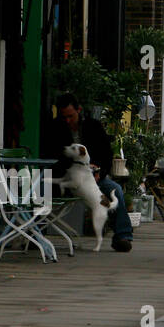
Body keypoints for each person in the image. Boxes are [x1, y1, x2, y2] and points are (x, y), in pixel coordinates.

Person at [42, 93, 133, 252]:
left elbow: (107, 154)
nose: (68, 121)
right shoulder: (55, 128)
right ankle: (31, 232)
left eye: (71, 116)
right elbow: (51, 155)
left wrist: (99, 171)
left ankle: (122, 236)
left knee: (116, 190)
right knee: (39, 187)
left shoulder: (94, 126)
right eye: (64, 117)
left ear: (79, 110)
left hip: (92, 179)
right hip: (66, 177)